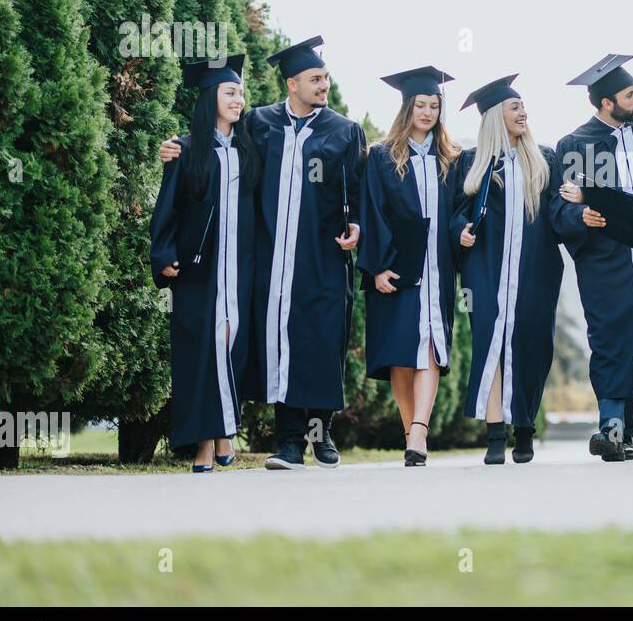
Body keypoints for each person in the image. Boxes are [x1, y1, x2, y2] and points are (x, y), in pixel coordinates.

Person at [160, 36, 367, 470]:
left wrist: (357, 226)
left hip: (321, 257)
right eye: (316, 79)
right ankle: (289, 442)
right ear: (292, 84)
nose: (324, 85)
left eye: (326, 78)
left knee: (320, 340)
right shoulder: (260, 123)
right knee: (278, 343)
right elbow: (216, 140)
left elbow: (357, 193)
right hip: (269, 260)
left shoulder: (344, 131)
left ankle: (320, 429)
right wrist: (175, 147)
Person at [553, 53, 633, 462]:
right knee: (609, 341)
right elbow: (558, 209)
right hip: (605, 263)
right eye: (629, 94)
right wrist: (580, 215)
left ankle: (626, 431)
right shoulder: (574, 146)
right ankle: (611, 423)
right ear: (607, 103)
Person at [149, 55, 258, 472]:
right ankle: (209, 443)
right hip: (199, 269)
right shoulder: (186, 148)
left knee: (231, 345)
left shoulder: (250, 149)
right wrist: (164, 254)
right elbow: (167, 209)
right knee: (203, 351)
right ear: (211, 97)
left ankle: (222, 434)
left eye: (241, 93)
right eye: (230, 93)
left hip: (241, 268)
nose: (238, 100)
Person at [452, 74, 565, 465]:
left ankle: (525, 427)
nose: (524, 113)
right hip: (486, 271)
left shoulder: (546, 159)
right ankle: (496, 433)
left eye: (523, 107)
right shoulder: (472, 162)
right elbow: (455, 214)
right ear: (496, 116)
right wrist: (460, 231)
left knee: (532, 345)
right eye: (515, 107)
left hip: (537, 271)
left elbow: (561, 214)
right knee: (491, 344)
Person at [357, 66, 460, 467]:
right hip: (397, 269)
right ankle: (411, 434)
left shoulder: (451, 159)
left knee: (431, 348)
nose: (428, 111)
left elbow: (458, 214)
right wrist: (377, 268)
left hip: (438, 270)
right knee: (400, 354)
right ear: (407, 107)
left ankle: (420, 432)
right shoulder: (381, 157)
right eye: (421, 104)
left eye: (435, 105)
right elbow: (371, 214)